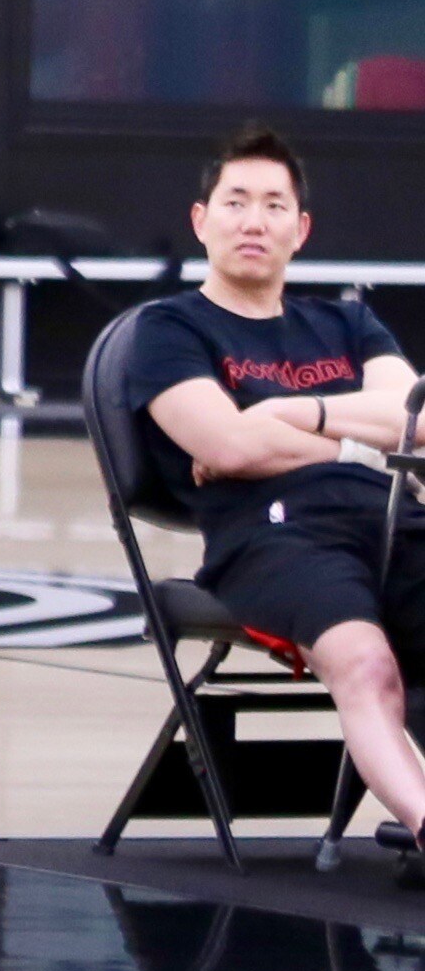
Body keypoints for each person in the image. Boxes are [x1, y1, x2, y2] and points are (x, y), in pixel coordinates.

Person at [131, 123, 425, 862]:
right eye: (235, 202)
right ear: (202, 222)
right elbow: (226, 446)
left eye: (272, 204)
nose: (253, 221)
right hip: (272, 535)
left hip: (393, 516)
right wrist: (364, 438)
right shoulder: (169, 330)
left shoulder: (347, 323)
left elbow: (416, 425)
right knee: (364, 664)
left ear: (301, 229)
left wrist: (292, 412)